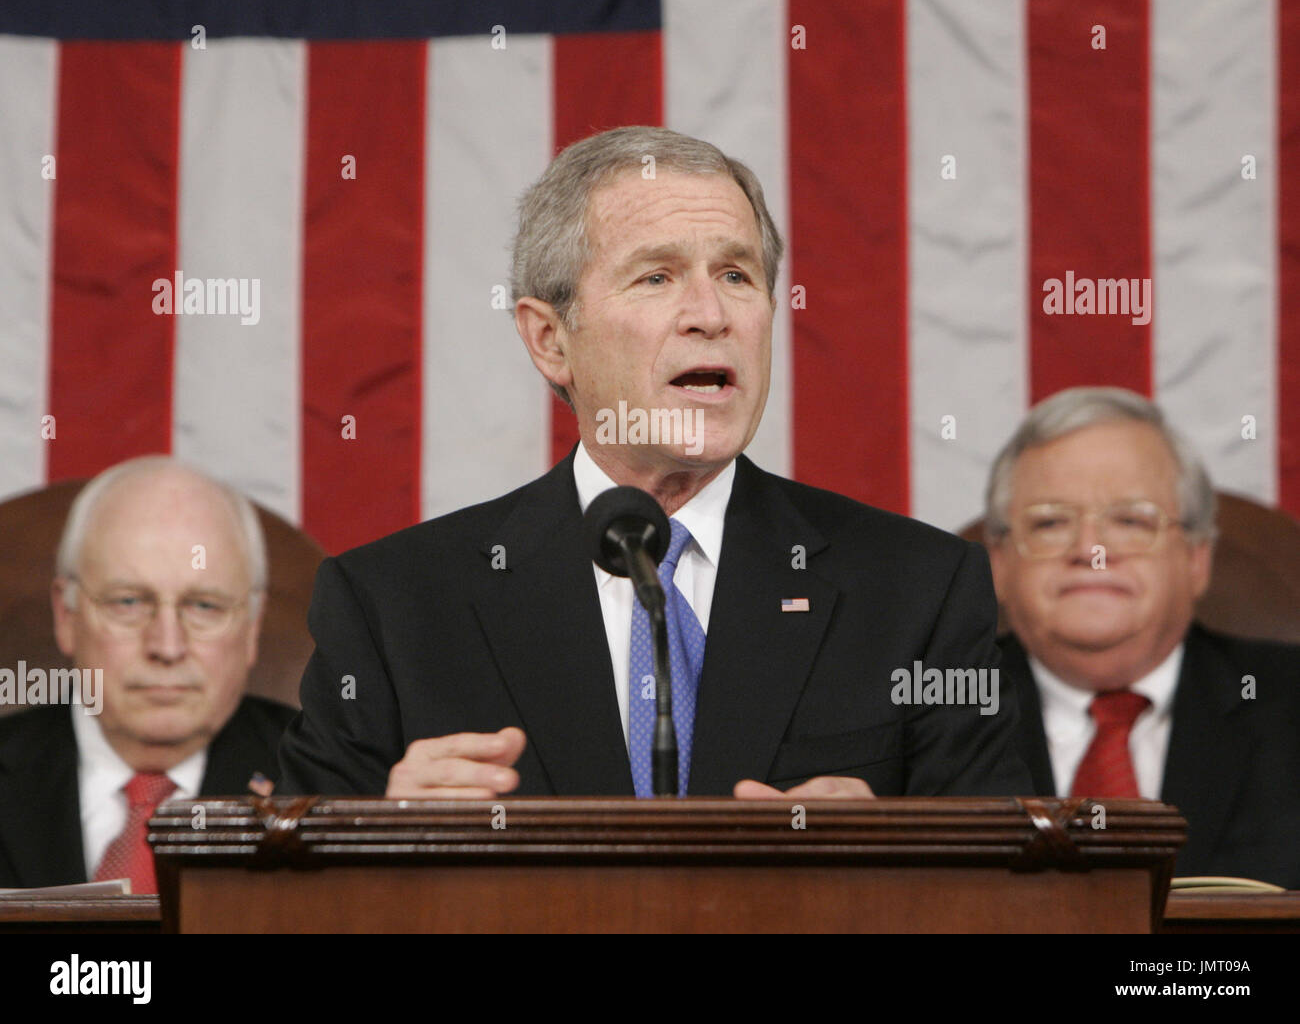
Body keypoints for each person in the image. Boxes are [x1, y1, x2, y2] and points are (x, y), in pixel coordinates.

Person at [277, 125, 1030, 801]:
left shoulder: (919, 593)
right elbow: (286, 905)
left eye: (737, 274)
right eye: (657, 277)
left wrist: (891, 870)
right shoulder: (394, 606)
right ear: (550, 339)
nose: (712, 313)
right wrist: (375, 836)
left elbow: (1007, 899)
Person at [984, 387, 1300, 887]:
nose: (1091, 550)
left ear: (1196, 559)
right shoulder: (921, 719)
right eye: (1049, 522)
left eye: (1132, 520)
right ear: (999, 564)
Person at [0, 457, 296, 890]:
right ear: (67, 615)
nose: (167, 647)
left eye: (204, 606)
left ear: (252, 626)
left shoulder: (330, 783)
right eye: (128, 602)